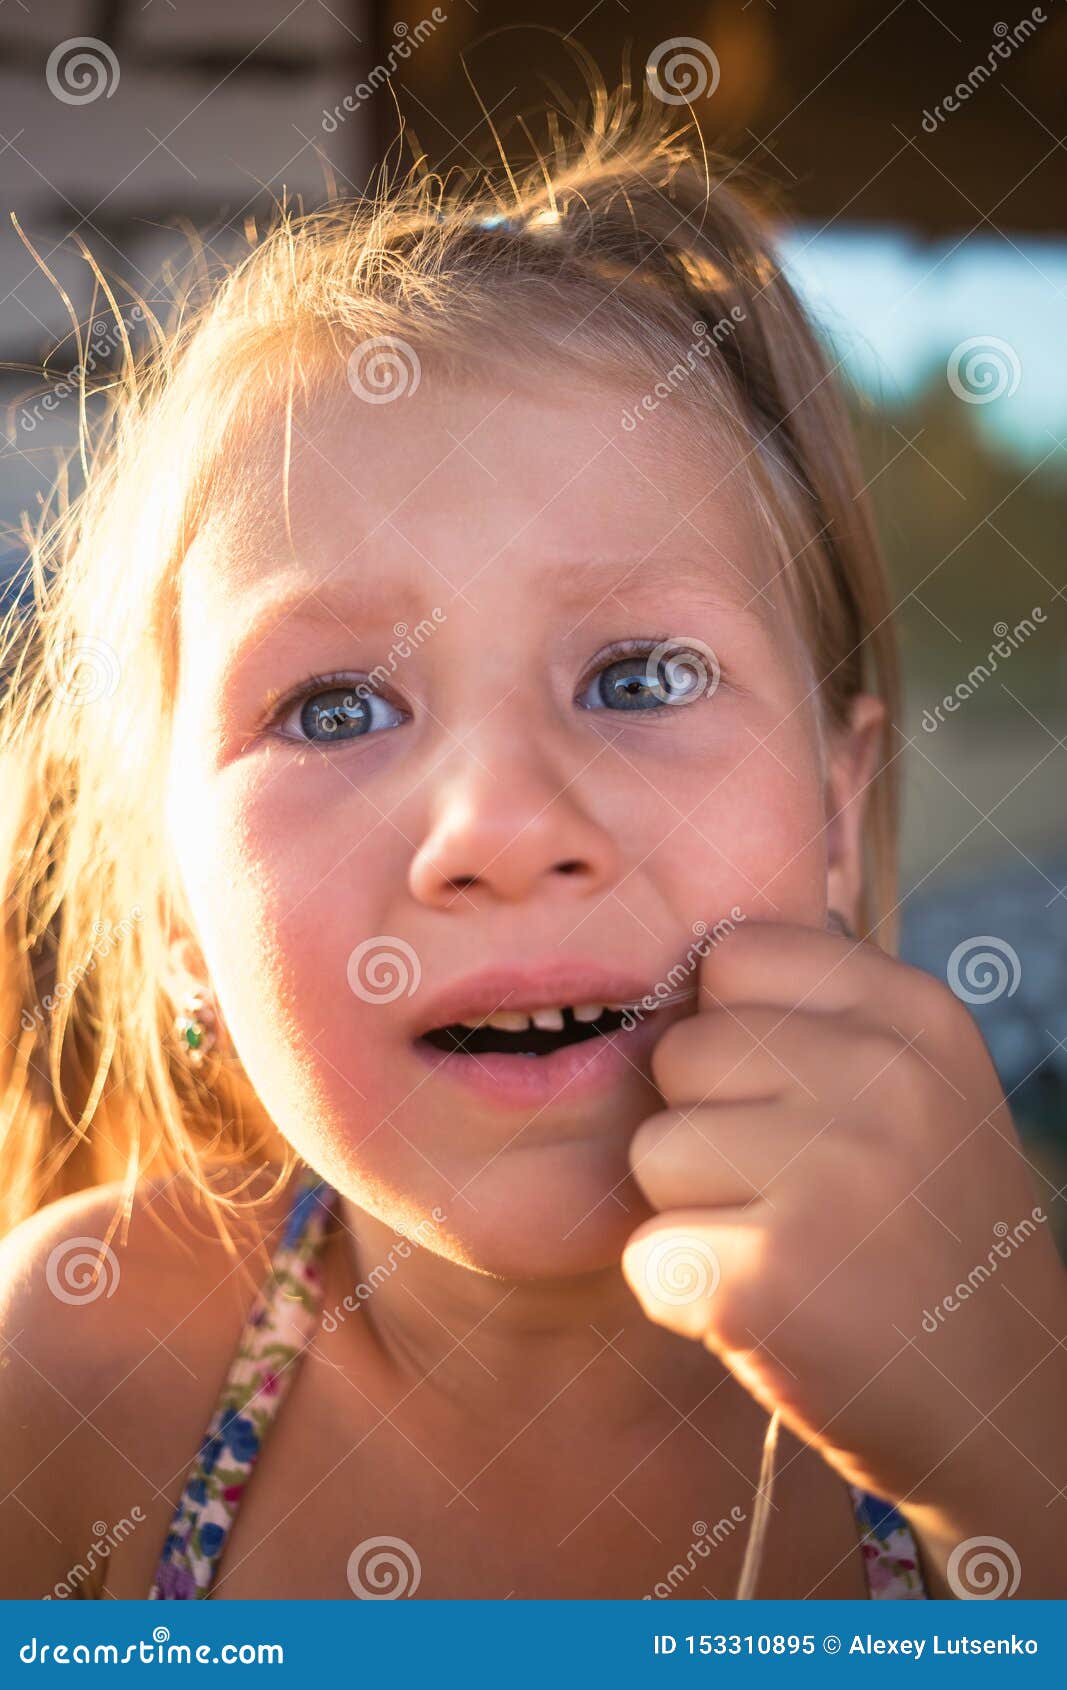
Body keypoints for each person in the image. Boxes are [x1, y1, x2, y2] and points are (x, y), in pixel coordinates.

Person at [0, 84, 1063, 1602]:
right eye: (333, 709)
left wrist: (1016, 1462)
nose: (500, 830)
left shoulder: (1017, 1350)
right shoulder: (73, 1371)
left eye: (640, 678)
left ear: (839, 809)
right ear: (177, 909)